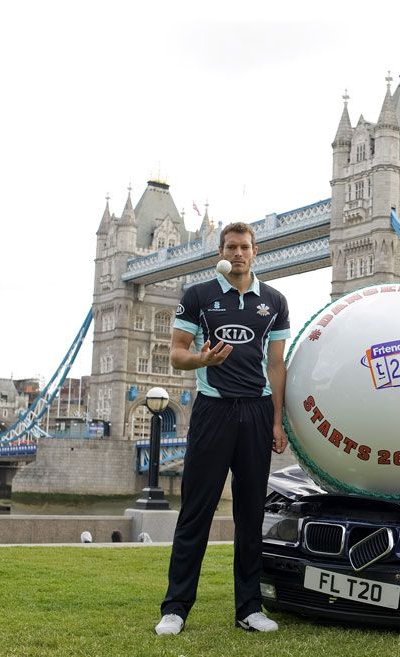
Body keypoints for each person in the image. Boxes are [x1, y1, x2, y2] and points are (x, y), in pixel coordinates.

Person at [155, 222, 290, 636]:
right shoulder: (198, 296)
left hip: (255, 412)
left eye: (244, 247)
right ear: (221, 250)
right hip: (212, 411)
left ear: (255, 251)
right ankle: (175, 608)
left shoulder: (275, 301)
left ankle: (249, 609)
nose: (238, 253)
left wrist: (277, 420)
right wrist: (203, 361)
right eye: (230, 247)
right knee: (195, 513)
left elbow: (276, 365)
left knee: (251, 515)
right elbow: (177, 355)